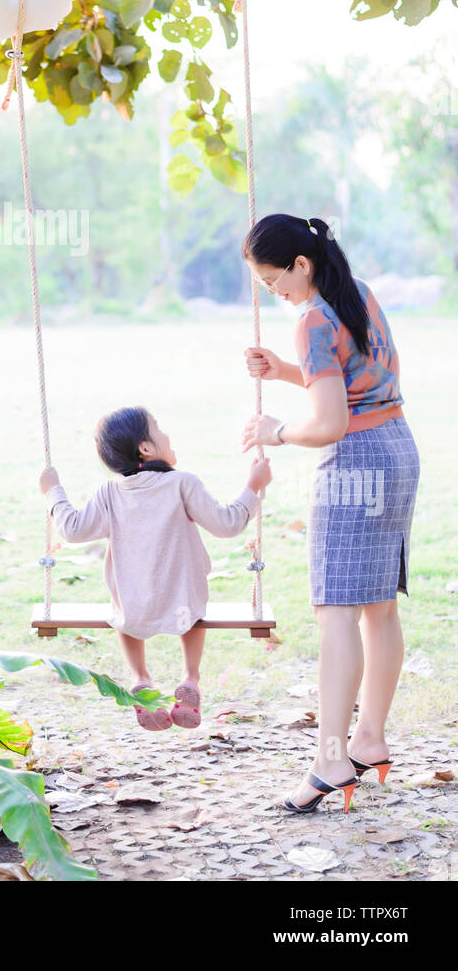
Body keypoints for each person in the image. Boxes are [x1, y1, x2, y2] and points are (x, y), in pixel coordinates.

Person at [241, 213, 420, 815]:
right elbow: (358, 379)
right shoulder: (357, 292)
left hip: (355, 463)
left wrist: (277, 431)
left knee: (336, 612)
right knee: (378, 607)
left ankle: (329, 758)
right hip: (397, 449)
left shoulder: (312, 319)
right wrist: (287, 371)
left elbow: (331, 422)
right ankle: (368, 738)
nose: (274, 293)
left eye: (274, 281)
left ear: (301, 265)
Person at [39, 406, 272, 731]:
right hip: (184, 603)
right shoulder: (182, 483)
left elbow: (73, 529)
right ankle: (190, 677)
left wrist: (53, 491)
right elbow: (227, 524)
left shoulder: (110, 492)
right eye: (158, 428)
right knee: (192, 607)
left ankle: (141, 678)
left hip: (133, 606)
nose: (165, 434)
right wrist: (253, 486)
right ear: (145, 448)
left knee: (123, 613)